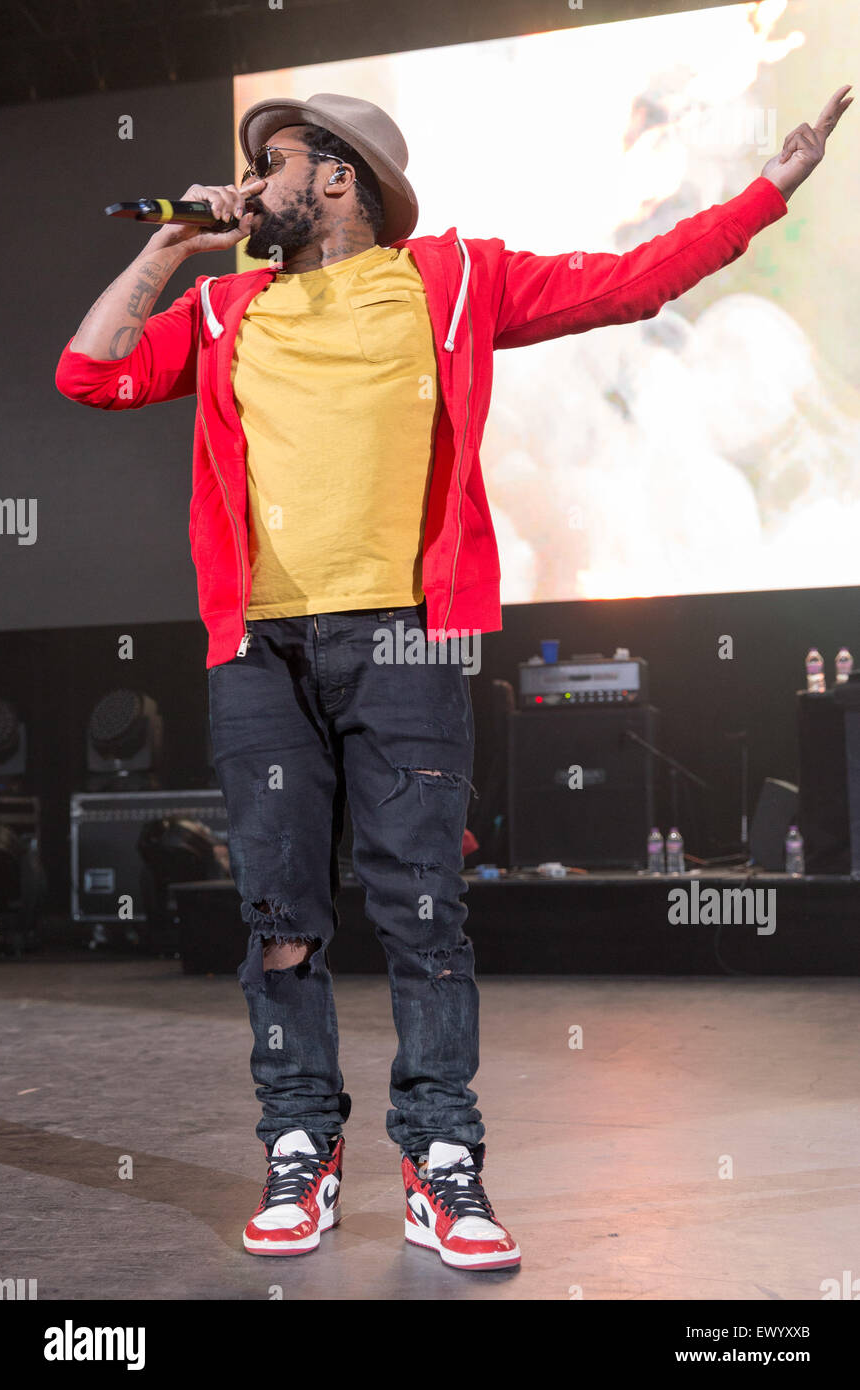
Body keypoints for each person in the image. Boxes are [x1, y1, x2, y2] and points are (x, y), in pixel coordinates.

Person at [55, 86, 850, 1271]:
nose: (252, 184)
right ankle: (298, 1150)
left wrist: (766, 192)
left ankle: (441, 1163)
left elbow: (627, 282)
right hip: (260, 649)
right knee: (279, 918)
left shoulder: (452, 281)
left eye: (271, 163)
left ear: (336, 178)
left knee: (424, 912)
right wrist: (172, 245)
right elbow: (89, 374)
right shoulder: (225, 311)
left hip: (405, 643)